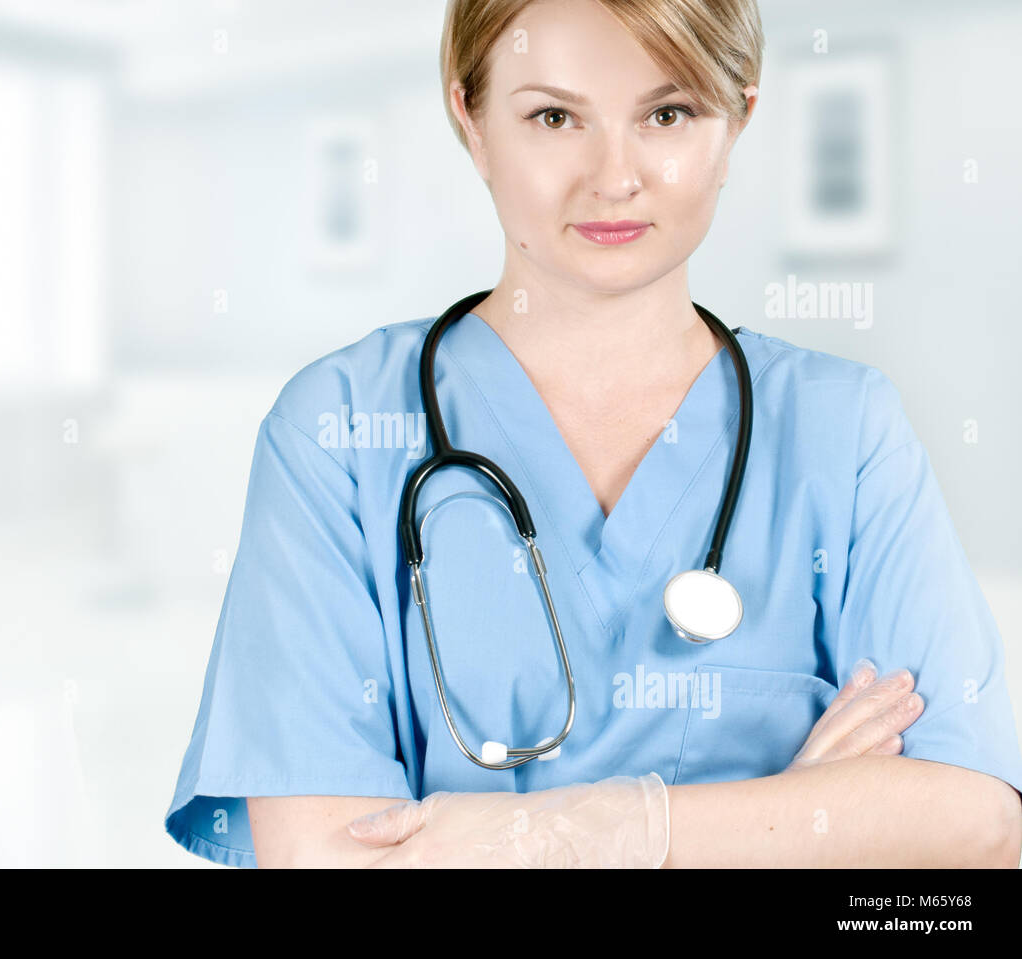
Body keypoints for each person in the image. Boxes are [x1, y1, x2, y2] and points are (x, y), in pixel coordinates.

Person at [164, 0, 1022, 867]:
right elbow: (330, 858)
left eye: (669, 113)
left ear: (738, 120)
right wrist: (788, 821)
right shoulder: (339, 431)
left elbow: (977, 828)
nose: (615, 177)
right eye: (553, 117)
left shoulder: (844, 429)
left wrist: (590, 832)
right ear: (470, 117)